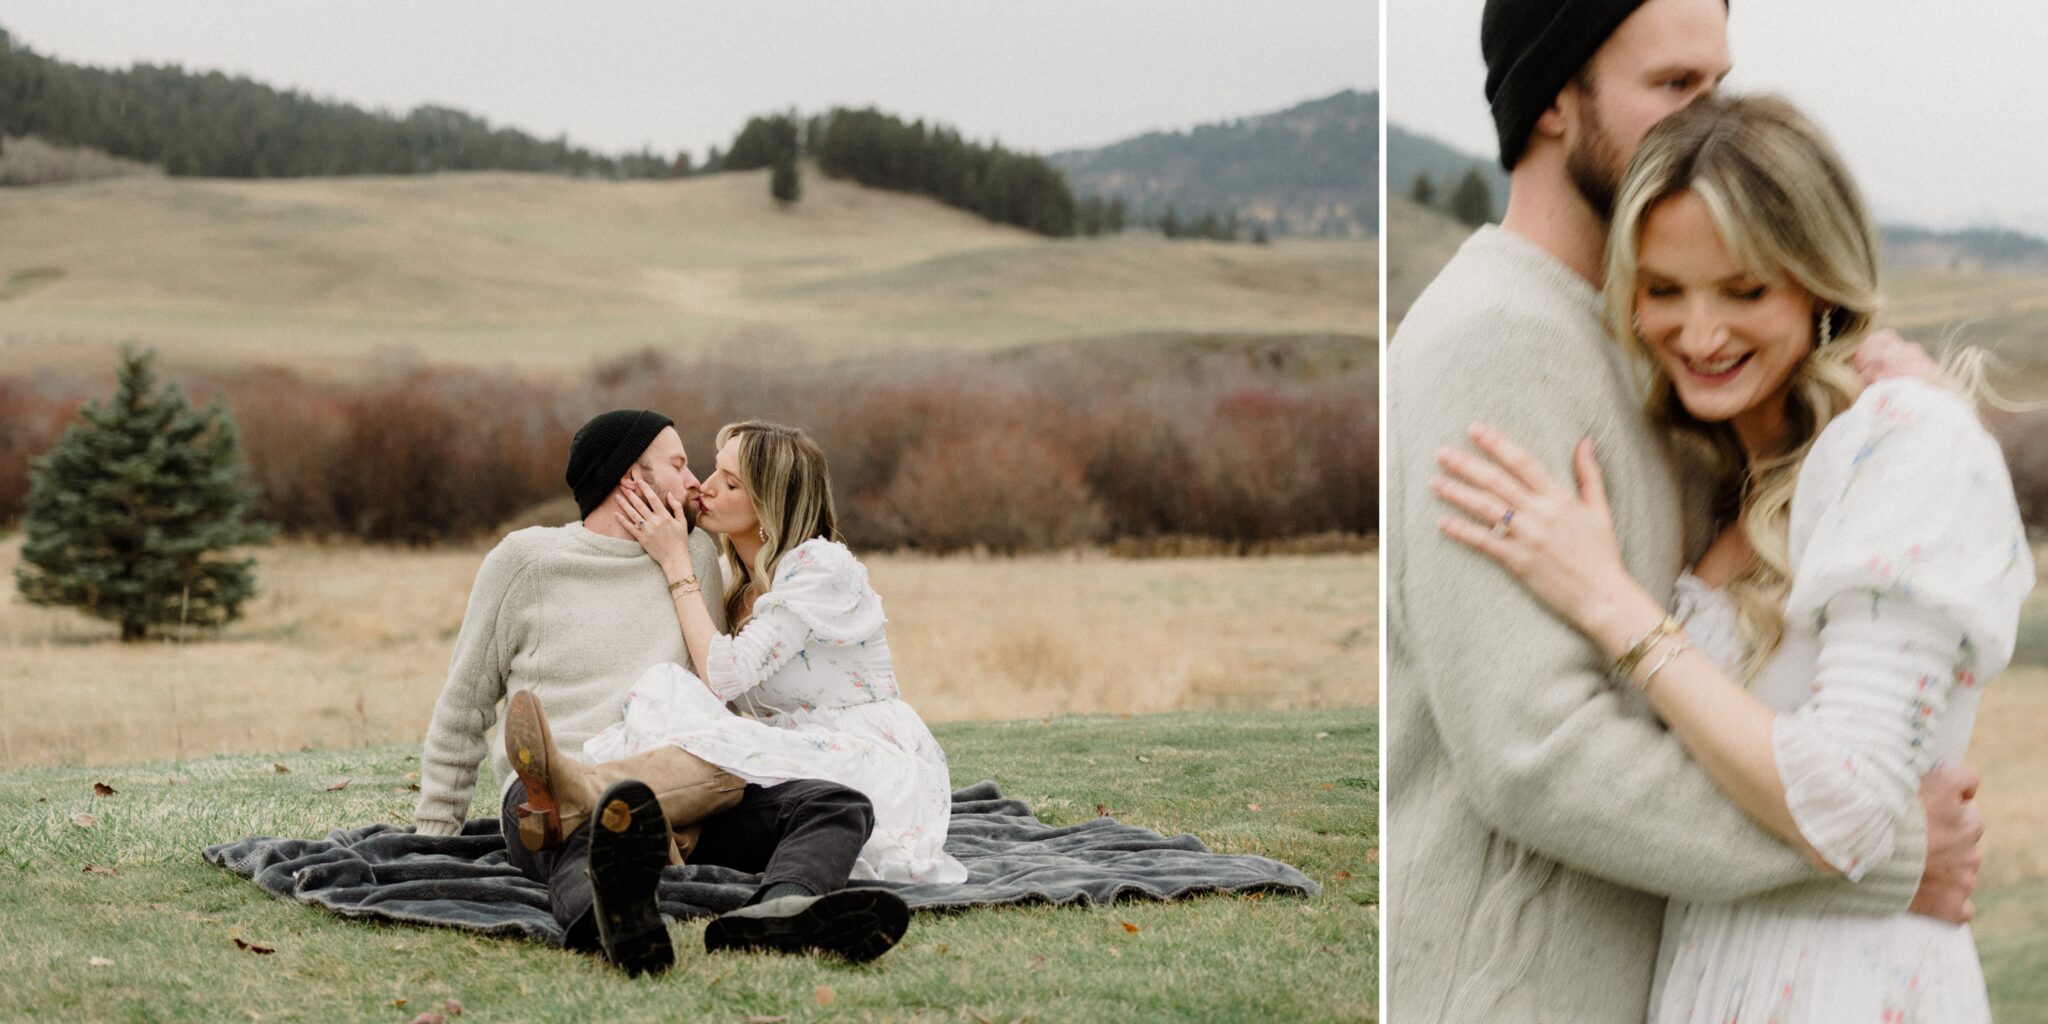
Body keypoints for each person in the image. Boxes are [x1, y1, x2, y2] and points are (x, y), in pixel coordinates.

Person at [1384, 1, 1986, 1020]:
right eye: (1673, 87)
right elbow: (1537, 752)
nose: (1710, 117)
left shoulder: (1651, 346)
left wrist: (1879, 408)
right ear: (1553, 101)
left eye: (1716, 81)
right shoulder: (1495, 339)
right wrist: (1880, 853)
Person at [414, 409, 907, 977]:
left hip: (688, 790)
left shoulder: (693, 557)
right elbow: (464, 708)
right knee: (588, 839)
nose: (696, 482)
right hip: (550, 798)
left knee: (837, 804)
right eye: (679, 465)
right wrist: (434, 841)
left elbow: (719, 685)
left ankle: (781, 911)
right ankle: (620, 924)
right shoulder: (526, 562)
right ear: (632, 478)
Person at [522, 418, 967, 886]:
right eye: (714, 470)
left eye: (731, 484)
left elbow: (724, 676)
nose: (706, 487)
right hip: (794, 740)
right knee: (665, 693)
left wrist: (675, 560)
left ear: (770, 504)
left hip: (861, 752)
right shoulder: (733, 576)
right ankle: (646, 834)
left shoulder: (819, 567)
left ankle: (582, 796)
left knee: (671, 693)